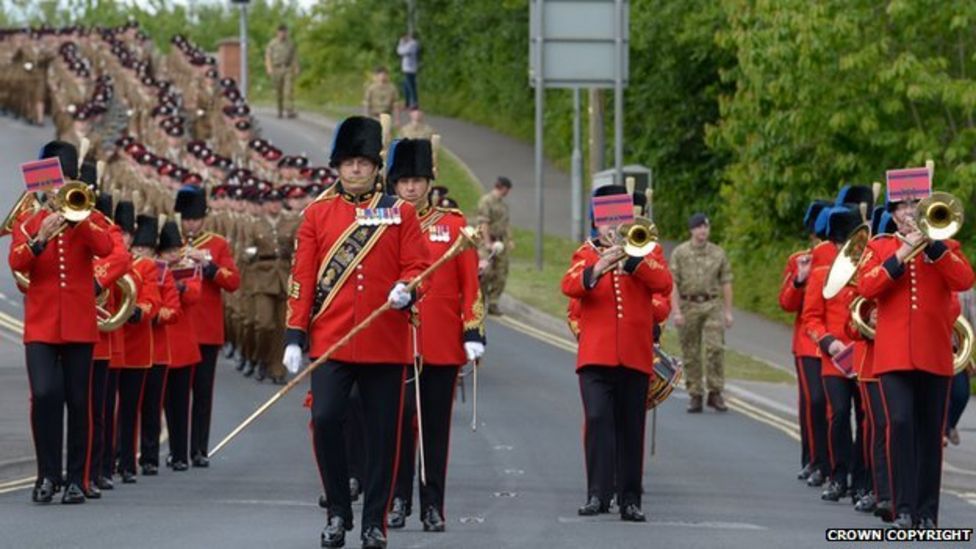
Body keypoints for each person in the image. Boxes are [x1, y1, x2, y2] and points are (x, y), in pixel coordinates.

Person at [283, 116, 431, 549]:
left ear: (375, 166)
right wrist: (294, 334)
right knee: (325, 419)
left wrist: (409, 289)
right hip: (332, 341)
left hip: (385, 341)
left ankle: (374, 524)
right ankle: (337, 512)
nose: (355, 170)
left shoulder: (400, 213)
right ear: (337, 167)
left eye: (362, 163)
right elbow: (303, 277)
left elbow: (419, 265)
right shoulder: (318, 214)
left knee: (384, 435)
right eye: (347, 163)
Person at [858, 184, 975, 528]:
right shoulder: (880, 246)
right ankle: (903, 507)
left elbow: (965, 280)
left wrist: (934, 247)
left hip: (934, 354)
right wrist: (899, 256)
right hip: (893, 356)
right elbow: (866, 287)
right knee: (901, 423)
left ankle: (927, 513)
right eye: (903, 207)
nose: (909, 212)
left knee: (928, 434)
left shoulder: (947, 246)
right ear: (893, 215)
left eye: (915, 205)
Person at [386, 139, 485, 532]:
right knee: (397, 426)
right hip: (396, 343)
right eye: (404, 180)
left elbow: (470, 286)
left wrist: (473, 330)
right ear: (394, 184)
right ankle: (398, 499)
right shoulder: (383, 223)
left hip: (441, 344)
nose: (411, 187)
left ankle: (433, 505)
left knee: (434, 431)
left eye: (418, 180)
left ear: (430, 182)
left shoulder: (454, 225)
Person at [9, 141, 113, 504]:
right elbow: (17, 262)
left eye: (66, 180)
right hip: (41, 325)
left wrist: (77, 221)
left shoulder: (90, 218)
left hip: (79, 325)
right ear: (43, 184)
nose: (60, 188)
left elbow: (106, 248)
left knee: (78, 401)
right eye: (55, 181)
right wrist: (41, 237)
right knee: (44, 395)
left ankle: (76, 479)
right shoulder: (29, 221)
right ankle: (47, 475)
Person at [560, 185, 673, 522]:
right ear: (597, 223)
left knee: (630, 427)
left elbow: (664, 284)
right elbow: (568, 285)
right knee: (597, 419)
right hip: (596, 356)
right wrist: (598, 268)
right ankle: (597, 494)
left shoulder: (646, 251)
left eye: (619, 219)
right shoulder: (586, 253)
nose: (613, 227)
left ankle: (630, 499)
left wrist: (635, 261)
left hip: (635, 357)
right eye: (607, 221)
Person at [800, 202, 869, 503]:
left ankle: (862, 479)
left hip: (865, 353)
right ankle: (838, 475)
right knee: (839, 414)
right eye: (840, 242)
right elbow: (810, 318)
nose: (844, 248)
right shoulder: (820, 275)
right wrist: (828, 342)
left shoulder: (871, 269)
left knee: (867, 418)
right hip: (835, 357)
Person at [176, 185, 240, 467]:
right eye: (187, 219)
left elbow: (232, 281)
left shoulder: (217, 244)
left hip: (207, 330)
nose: (191, 223)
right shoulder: (172, 242)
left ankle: (199, 448)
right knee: (176, 394)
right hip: (178, 327)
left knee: (202, 393)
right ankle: (177, 449)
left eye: (195, 219)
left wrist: (210, 265)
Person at [778, 200, 829, 482]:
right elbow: (786, 303)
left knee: (836, 408)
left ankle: (833, 462)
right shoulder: (800, 259)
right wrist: (799, 279)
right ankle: (813, 458)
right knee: (814, 402)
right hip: (809, 342)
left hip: (839, 341)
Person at [670, 212, 734, 412]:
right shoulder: (680, 253)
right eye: (699, 227)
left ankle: (715, 392)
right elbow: (672, 283)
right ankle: (695, 393)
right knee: (690, 352)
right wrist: (676, 311)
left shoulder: (718, 253)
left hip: (711, 304)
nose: (703, 231)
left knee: (715, 347)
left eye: (705, 227)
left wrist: (728, 311)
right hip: (688, 304)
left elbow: (726, 281)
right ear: (691, 230)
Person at [116, 214, 162, 484]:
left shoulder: (144, 266)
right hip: (109, 342)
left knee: (130, 408)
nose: (122, 239)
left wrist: (139, 311)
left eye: (125, 234)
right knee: (105, 409)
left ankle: (127, 462)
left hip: (135, 345)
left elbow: (152, 300)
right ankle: (106, 459)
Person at [477, 176, 512, 315]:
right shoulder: (486, 201)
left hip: (500, 242)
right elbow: (484, 222)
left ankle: (493, 302)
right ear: (503, 188)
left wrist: (509, 239)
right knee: (485, 271)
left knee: (501, 273)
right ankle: (480, 299)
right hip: (487, 241)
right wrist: (487, 243)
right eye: (507, 190)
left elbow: (506, 223)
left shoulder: (503, 205)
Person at [264, 24, 299, 119]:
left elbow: (294, 57)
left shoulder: (290, 43)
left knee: (288, 90)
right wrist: (269, 67)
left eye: (285, 32)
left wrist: (296, 67)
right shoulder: (272, 44)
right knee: (279, 91)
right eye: (281, 32)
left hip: (287, 68)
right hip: (276, 69)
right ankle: (279, 110)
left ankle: (289, 110)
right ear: (277, 32)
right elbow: (268, 57)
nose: (283, 34)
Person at [396, 33, 420, 109]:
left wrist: (401, 43)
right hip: (407, 68)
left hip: (410, 69)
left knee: (411, 86)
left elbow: (400, 51)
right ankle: (407, 103)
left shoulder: (413, 44)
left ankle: (414, 103)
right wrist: (403, 43)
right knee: (405, 86)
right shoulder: (410, 44)